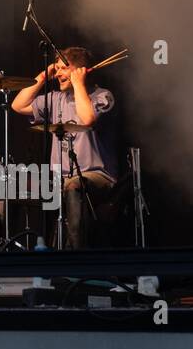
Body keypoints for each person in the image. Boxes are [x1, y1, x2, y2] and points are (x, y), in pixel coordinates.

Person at [9, 47, 117, 249]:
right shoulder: (56, 98)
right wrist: (42, 77)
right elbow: (17, 105)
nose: (57, 73)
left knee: (73, 186)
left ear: (80, 70)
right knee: (11, 187)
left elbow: (87, 119)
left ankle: (76, 257)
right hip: (60, 177)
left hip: (96, 175)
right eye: (56, 68)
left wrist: (78, 84)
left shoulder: (103, 96)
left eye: (62, 68)